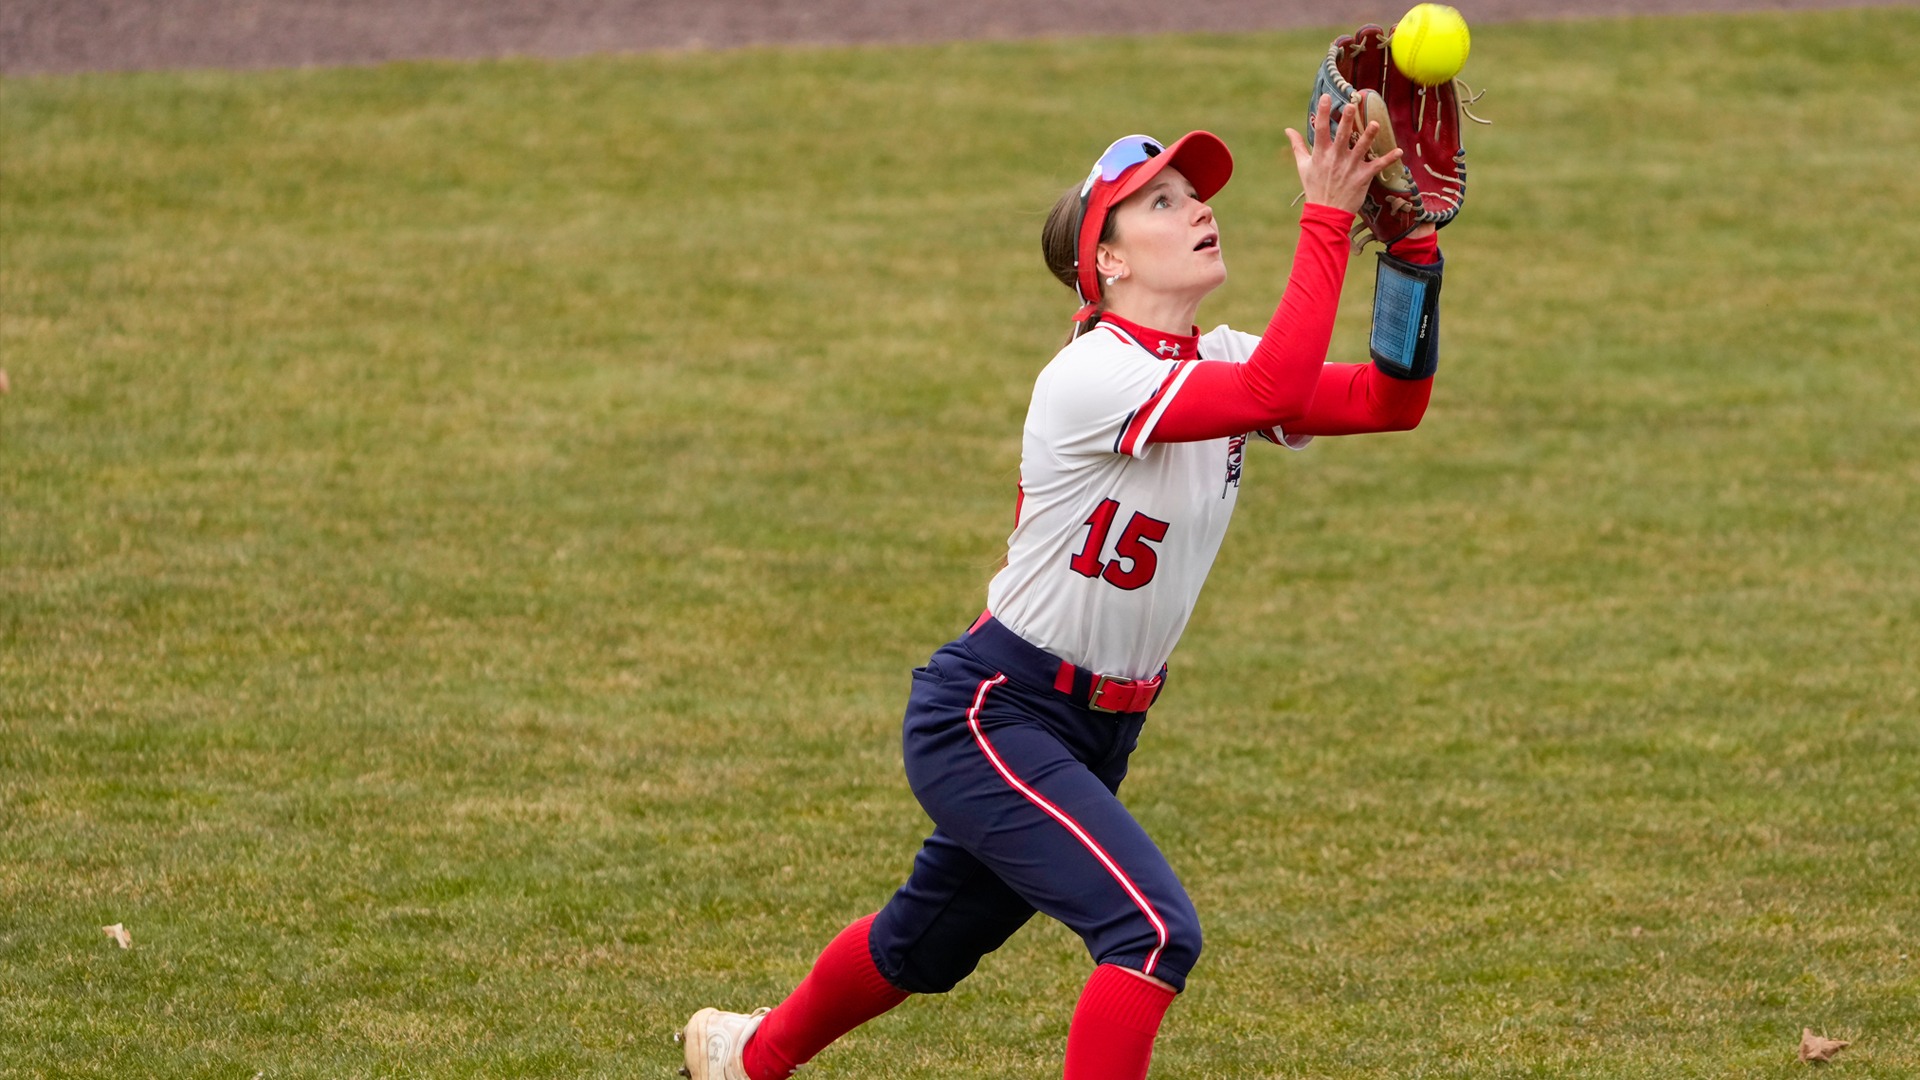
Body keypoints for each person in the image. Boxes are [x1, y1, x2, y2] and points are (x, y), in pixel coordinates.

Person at [679, 92, 1447, 1080]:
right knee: (1152, 936)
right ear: (1110, 261)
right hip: (995, 713)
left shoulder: (1213, 357)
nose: (1199, 208)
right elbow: (1272, 396)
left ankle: (746, 1055)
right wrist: (1328, 217)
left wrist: (1414, 256)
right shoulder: (1091, 375)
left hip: (1095, 728)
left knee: (928, 944)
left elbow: (1392, 401)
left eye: (1193, 194)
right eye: (1161, 203)